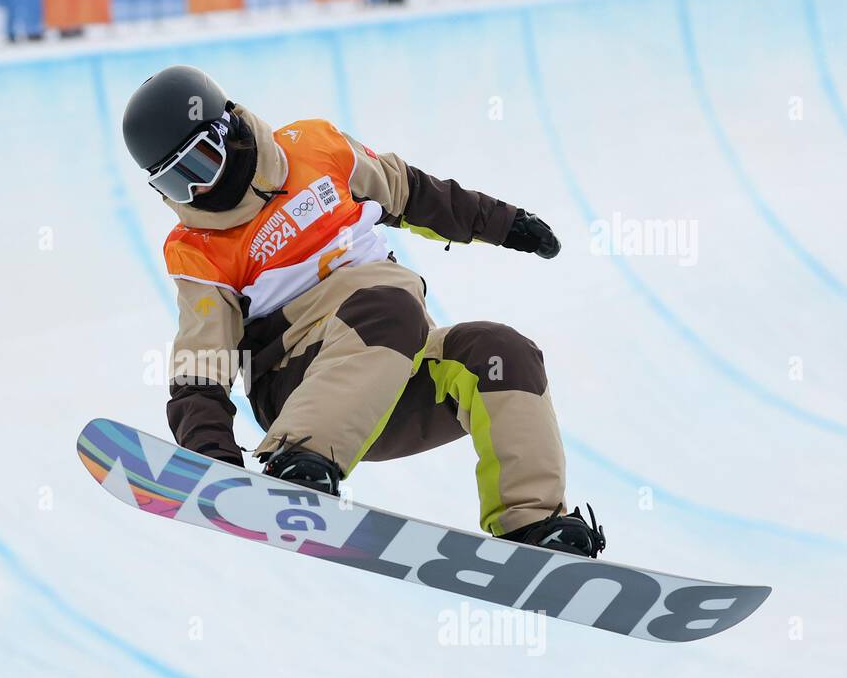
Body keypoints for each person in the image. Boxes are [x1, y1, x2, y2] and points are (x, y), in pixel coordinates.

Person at [121, 66, 605, 557]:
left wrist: (505, 223)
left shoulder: (317, 146)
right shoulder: (198, 249)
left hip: (394, 374)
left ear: (231, 131)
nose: (199, 192)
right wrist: (213, 461)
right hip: (299, 383)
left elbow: (413, 192)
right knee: (391, 305)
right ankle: (300, 458)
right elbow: (202, 362)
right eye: (177, 184)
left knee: (502, 352)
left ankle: (532, 522)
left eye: (200, 166)